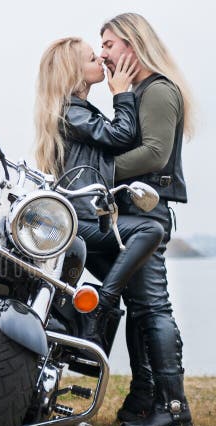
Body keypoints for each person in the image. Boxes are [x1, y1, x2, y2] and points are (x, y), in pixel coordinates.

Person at [34, 37, 164, 367]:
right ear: (73, 72)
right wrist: (121, 92)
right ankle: (99, 306)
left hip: (88, 221)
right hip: (83, 223)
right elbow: (121, 137)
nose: (102, 62)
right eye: (93, 58)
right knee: (150, 229)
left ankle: (137, 384)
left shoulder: (77, 111)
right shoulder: (70, 113)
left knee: (133, 295)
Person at [97, 12, 194, 426]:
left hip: (148, 210)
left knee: (153, 305)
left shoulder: (158, 90)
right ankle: (144, 396)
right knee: (140, 306)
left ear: (133, 46)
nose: (102, 53)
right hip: (132, 210)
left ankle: (174, 408)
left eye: (110, 44)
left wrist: (95, 170)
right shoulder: (136, 90)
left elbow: (154, 154)